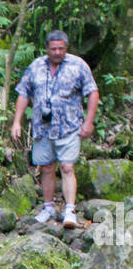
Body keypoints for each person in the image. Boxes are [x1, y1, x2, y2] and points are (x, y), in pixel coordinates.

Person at [11, 30, 99, 229]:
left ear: (66, 48)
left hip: (69, 126)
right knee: (47, 167)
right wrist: (17, 121)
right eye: (54, 49)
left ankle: (70, 209)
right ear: (47, 49)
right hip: (43, 128)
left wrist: (89, 121)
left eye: (61, 48)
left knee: (67, 167)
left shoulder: (78, 65)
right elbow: (23, 93)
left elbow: (92, 92)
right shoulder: (36, 67)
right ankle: (48, 207)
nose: (58, 52)